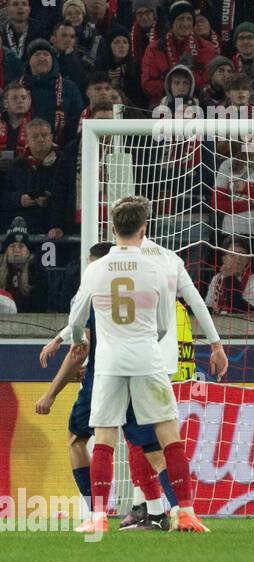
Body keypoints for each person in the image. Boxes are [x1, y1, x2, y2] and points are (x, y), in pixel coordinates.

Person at [64, 197, 201, 535]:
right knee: (169, 437)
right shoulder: (157, 268)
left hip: (109, 363)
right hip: (147, 360)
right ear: (144, 229)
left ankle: (98, 517)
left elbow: (76, 319)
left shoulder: (96, 269)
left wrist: (86, 339)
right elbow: (164, 325)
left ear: (113, 229)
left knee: (105, 438)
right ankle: (186, 513)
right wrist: (142, 340)